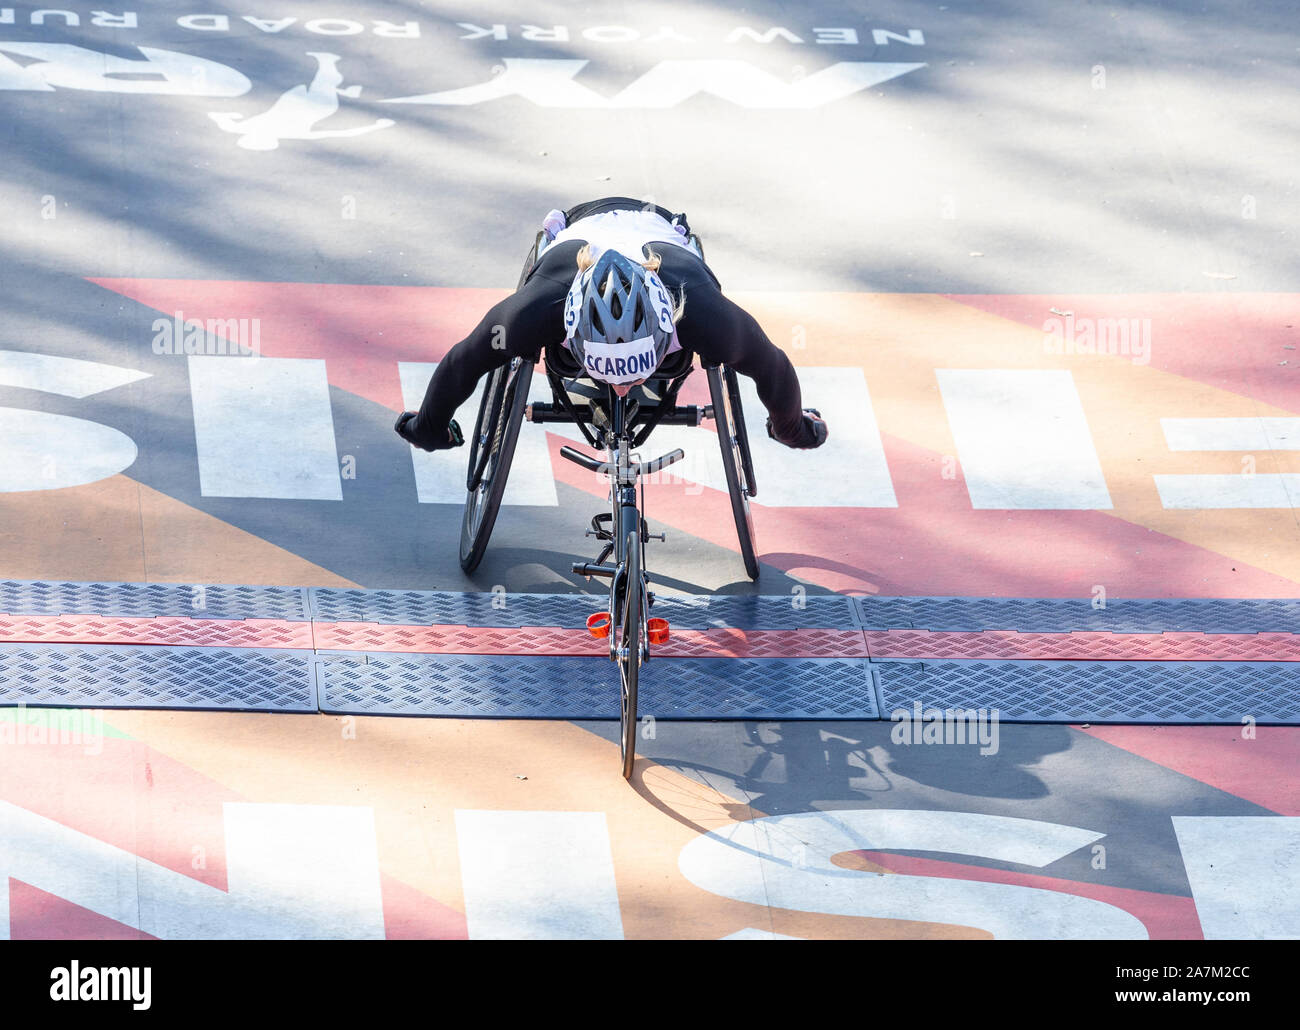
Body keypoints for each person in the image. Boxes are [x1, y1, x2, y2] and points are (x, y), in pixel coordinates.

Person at [394, 197, 828, 452]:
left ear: (667, 320)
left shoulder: (701, 311)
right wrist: (426, 429)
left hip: (660, 225)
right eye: (609, 374)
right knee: (504, 340)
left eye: (631, 375)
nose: (621, 390)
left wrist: (792, 429)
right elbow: (465, 360)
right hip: (579, 223)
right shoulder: (538, 306)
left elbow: (772, 365)